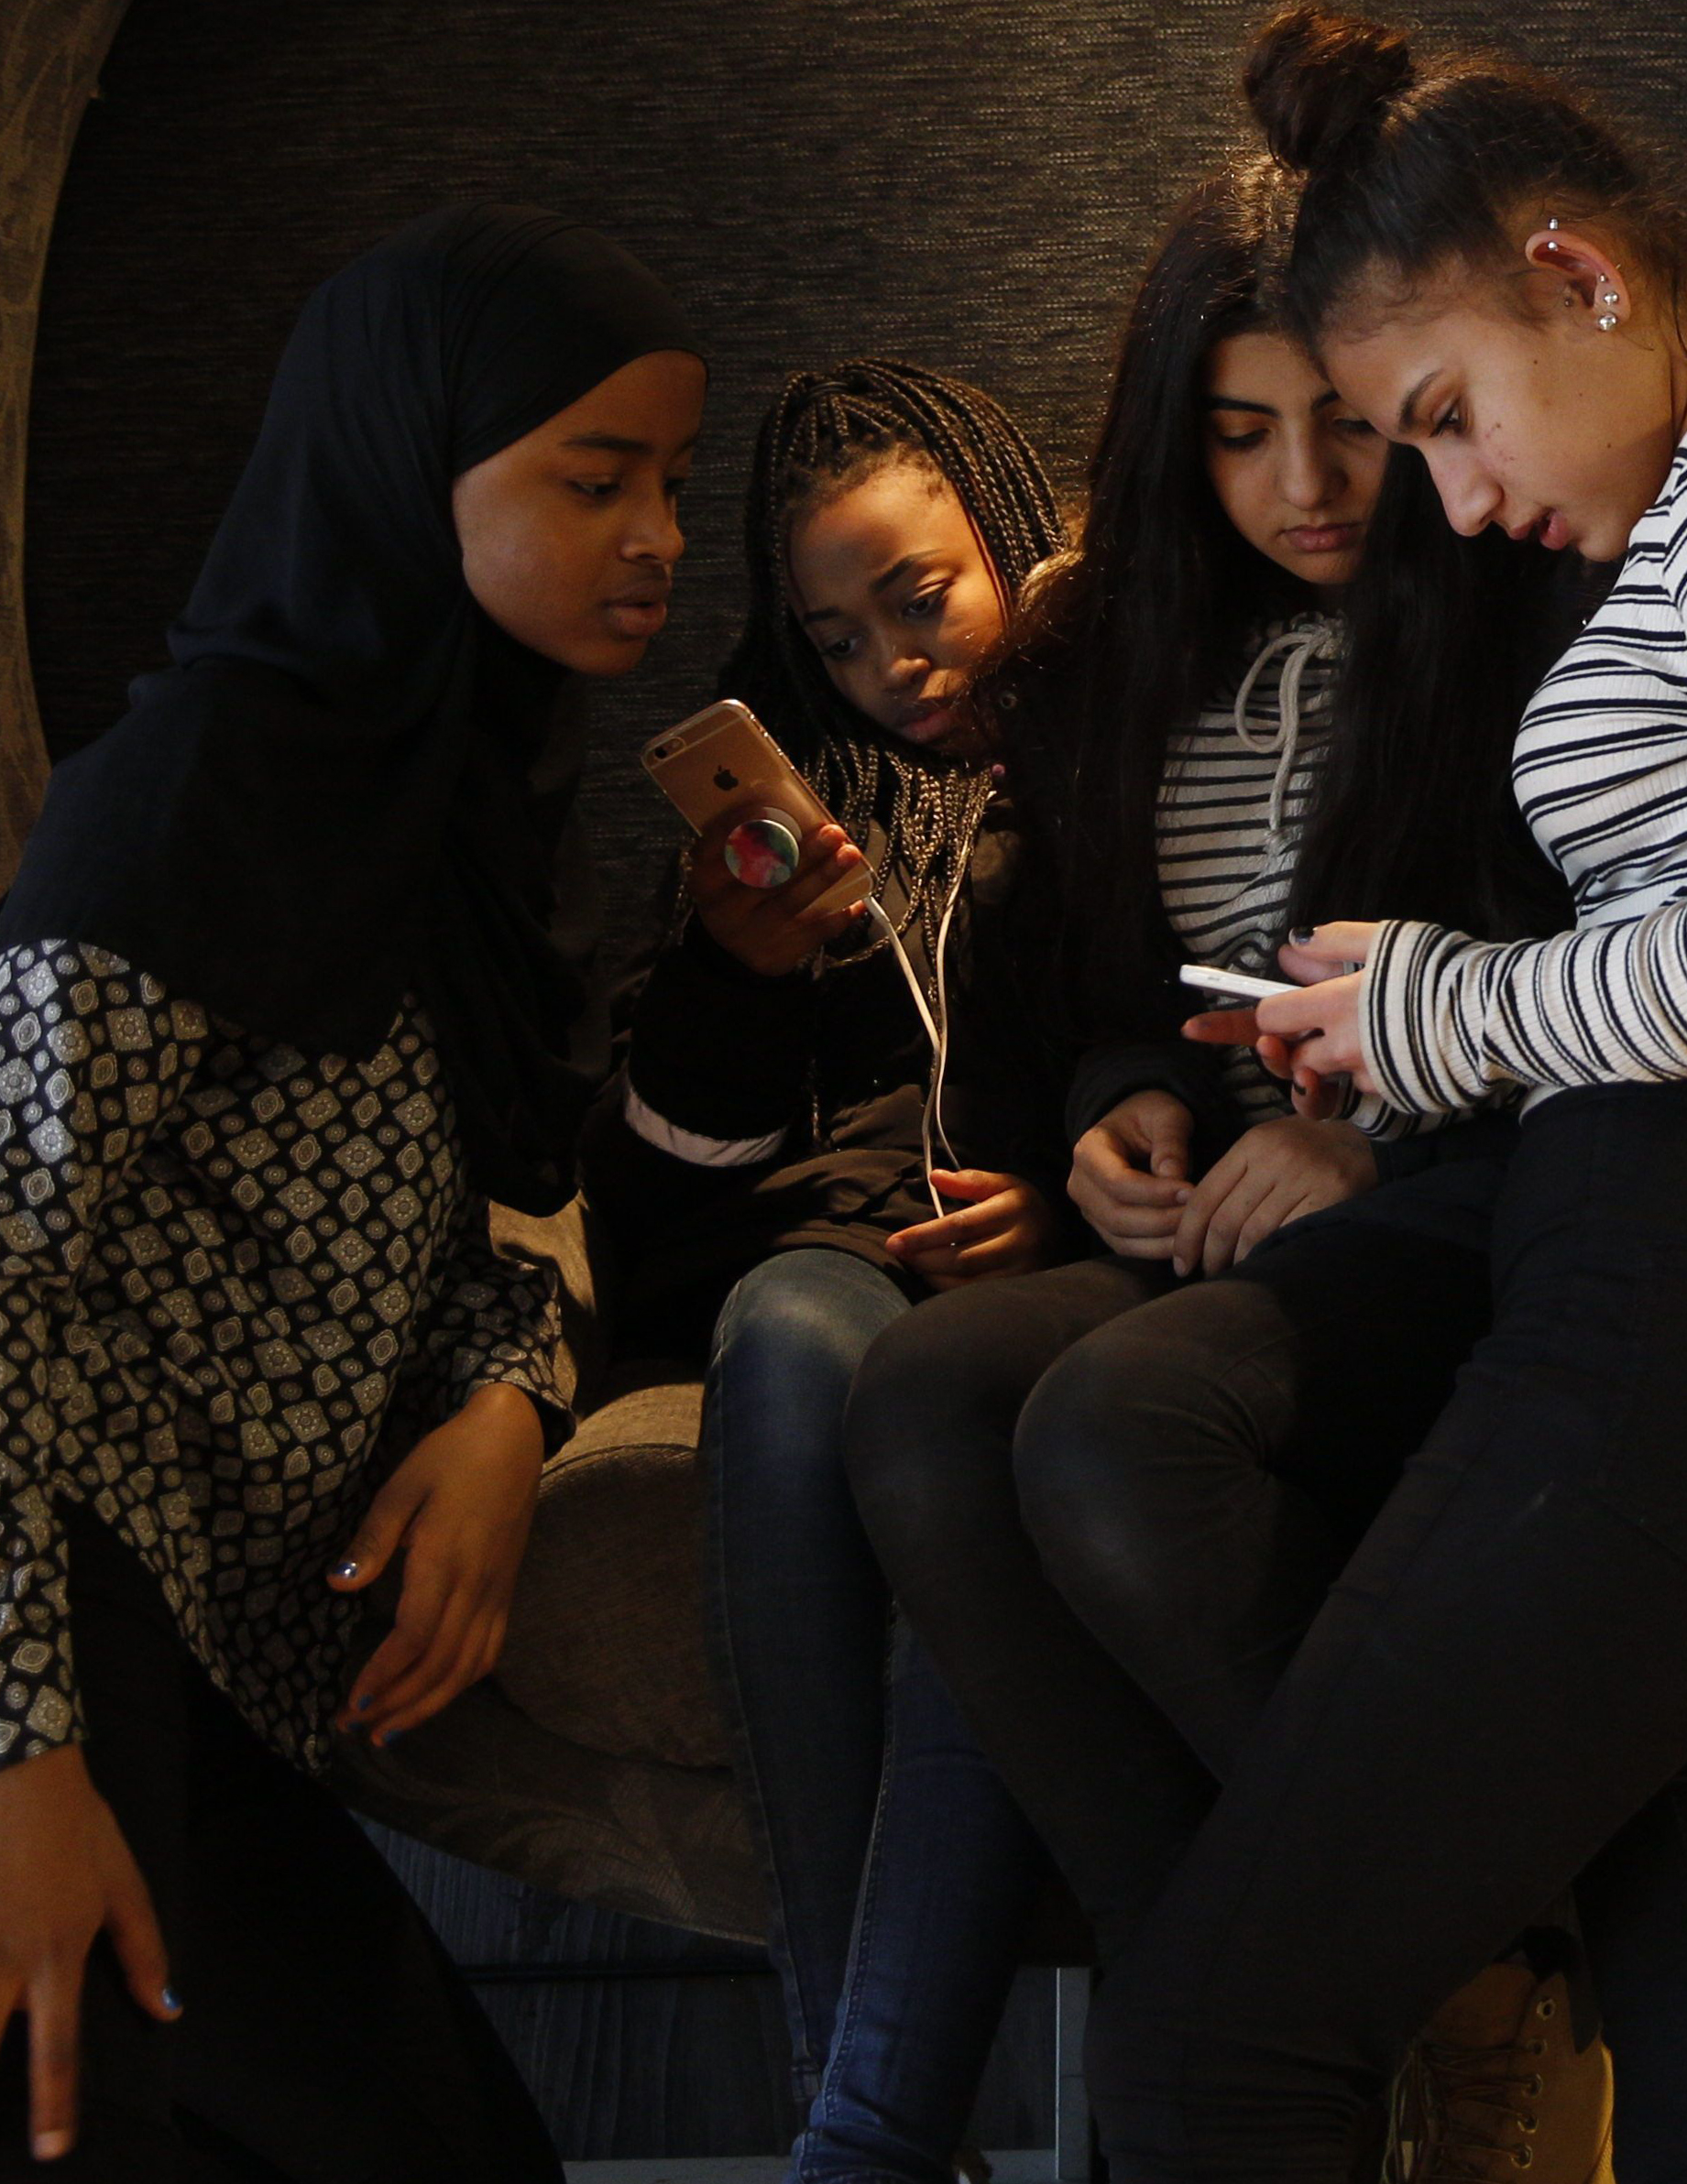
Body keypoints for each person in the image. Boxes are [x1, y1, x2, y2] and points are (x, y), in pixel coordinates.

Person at [1089, 5, 1687, 2180]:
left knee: (1212, 2049)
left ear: (1587, 281)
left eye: (1440, 418)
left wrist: (1447, 1008)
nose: (1457, 494)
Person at [0, 200, 699, 2184]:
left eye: (667, 475)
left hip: (137, 1600)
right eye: (595, 476)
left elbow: (519, 1196)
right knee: (18, 2142)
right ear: (412, 464)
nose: (656, 528)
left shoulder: (463, 825)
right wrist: (1, 1749)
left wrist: (503, 1406)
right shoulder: (201, 786)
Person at [837, 167, 1605, 2173]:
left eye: (1345, 421)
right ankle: (1232, 1979)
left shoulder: (1526, 594)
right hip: (1218, 1215)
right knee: (921, 1391)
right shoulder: (1126, 640)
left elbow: (1591, 963)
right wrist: (1120, 1110)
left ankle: (1471, 1969)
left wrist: (1356, 1136)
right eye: (1241, 432)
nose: (1305, 485)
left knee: (1108, 1419)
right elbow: (1102, 980)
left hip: (1456, 1200)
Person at [568, 359, 1079, 2178]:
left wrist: (1069, 1199)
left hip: (1073, 1271)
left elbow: (1211, 1041)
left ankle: (862, 2132)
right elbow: (646, 1226)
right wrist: (739, 981)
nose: (891, 665)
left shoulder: (1132, 757)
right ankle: (858, 2105)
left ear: (1009, 535)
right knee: (786, 1327)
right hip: (849, 1260)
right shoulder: (781, 832)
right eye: (835, 636)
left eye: (921, 599)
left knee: (963, 1385)